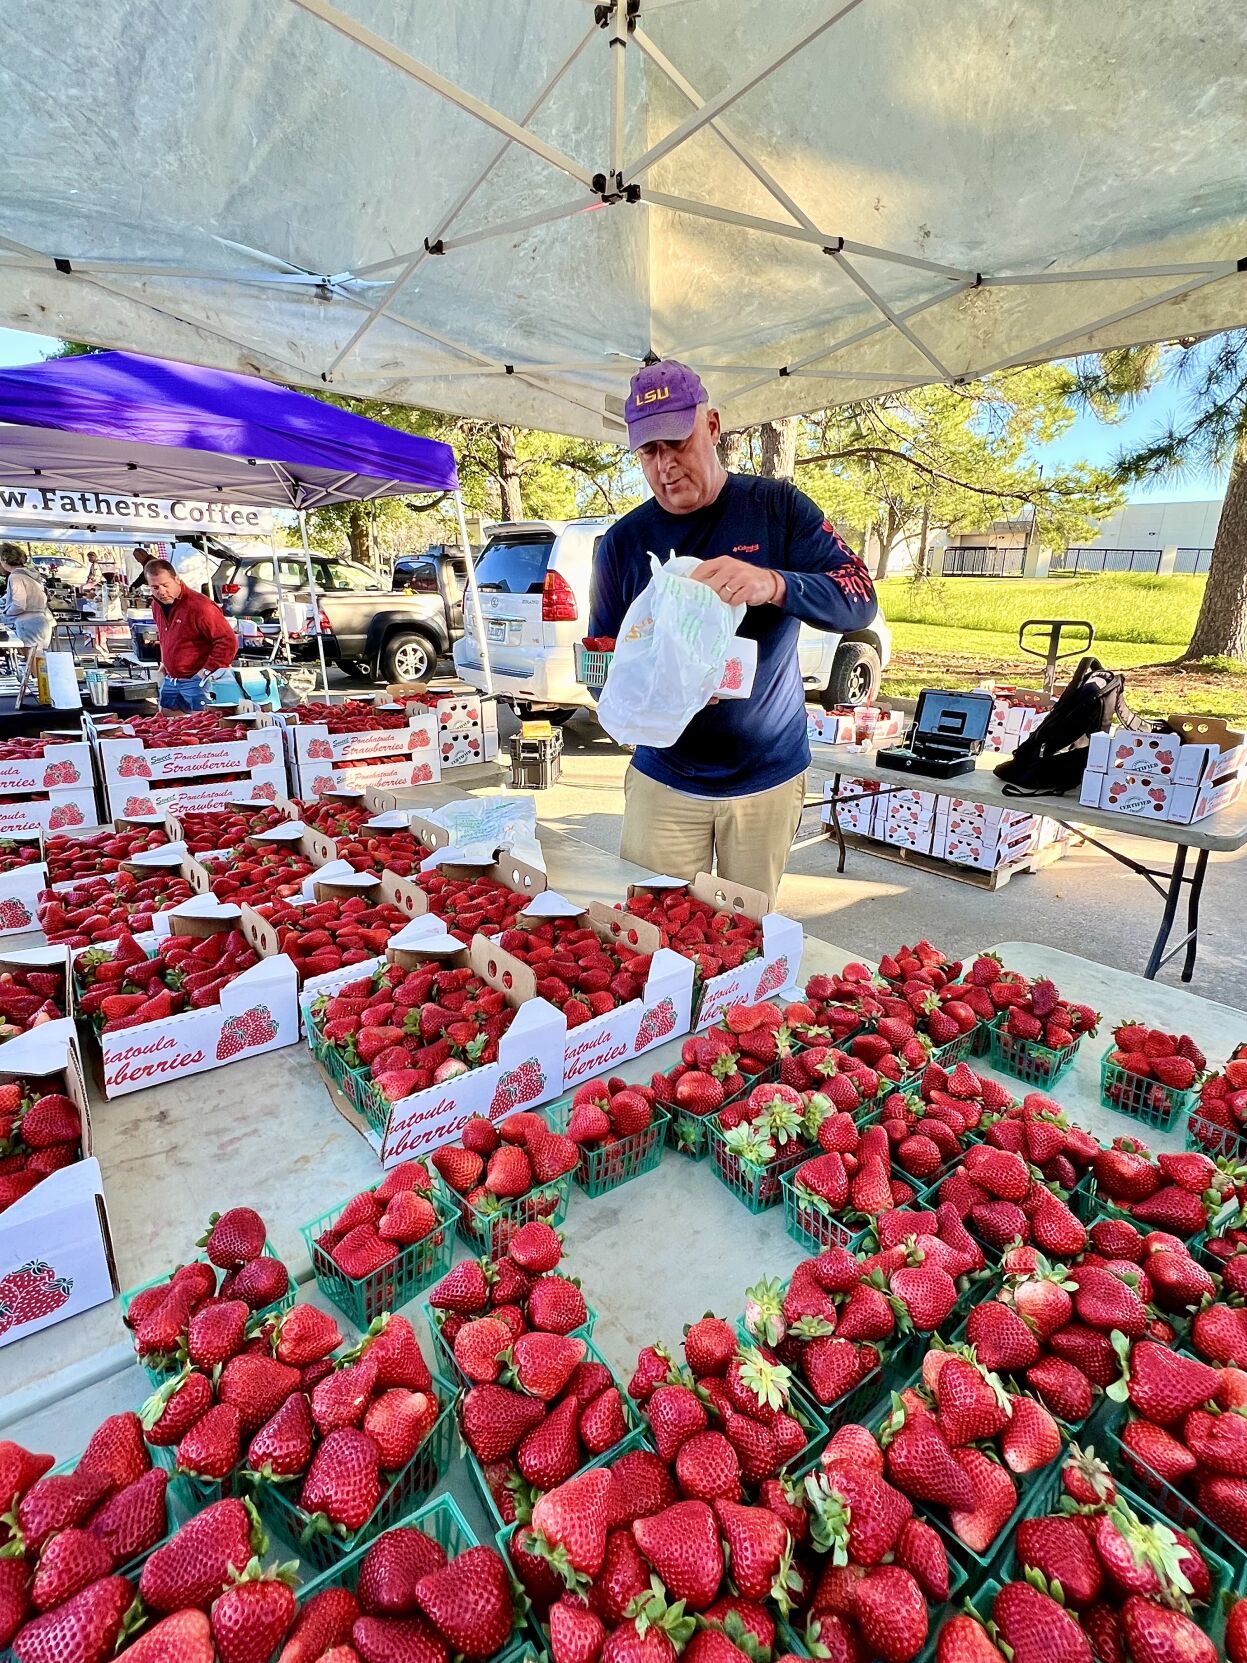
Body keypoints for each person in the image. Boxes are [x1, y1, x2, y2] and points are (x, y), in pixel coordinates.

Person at [589, 361, 877, 901]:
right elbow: (597, 661)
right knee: (651, 937)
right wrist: (658, 685)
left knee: (743, 941)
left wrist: (773, 583)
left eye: (677, 442)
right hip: (664, 778)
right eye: (648, 452)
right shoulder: (623, 543)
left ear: (713, 425)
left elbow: (859, 598)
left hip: (766, 777)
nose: (665, 465)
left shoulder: (777, 508)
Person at [144, 557, 238, 711]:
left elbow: (227, 641)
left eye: (165, 585)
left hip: (198, 680)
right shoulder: (156, 605)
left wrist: (206, 671)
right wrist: (163, 663)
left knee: (202, 727)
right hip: (171, 678)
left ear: (177, 580)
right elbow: (165, 635)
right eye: (155, 587)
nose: (161, 591)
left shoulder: (200, 606)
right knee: (165, 724)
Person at [0, 544, 53, 653]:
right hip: (41, 622)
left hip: (28, 624)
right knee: (39, 660)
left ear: (4, 559)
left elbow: (19, 605)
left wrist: (6, 613)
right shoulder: (29, 574)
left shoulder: (15, 577)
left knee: (32, 663)